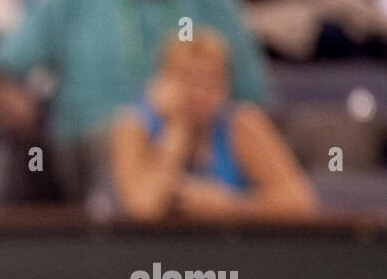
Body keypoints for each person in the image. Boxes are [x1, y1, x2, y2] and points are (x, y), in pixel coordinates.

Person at [0, 0, 274, 203]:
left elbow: (253, 95)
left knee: (248, 127)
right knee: (121, 137)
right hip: (91, 141)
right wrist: (12, 101)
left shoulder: (213, 0)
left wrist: (193, 113)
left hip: (202, 136)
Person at [109, 27, 317, 219]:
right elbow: (144, 208)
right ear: (163, 81)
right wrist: (177, 132)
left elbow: (300, 204)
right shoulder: (132, 127)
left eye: (211, 81)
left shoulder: (242, 124)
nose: (200, 94)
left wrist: (232, 206)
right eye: (188, 80)